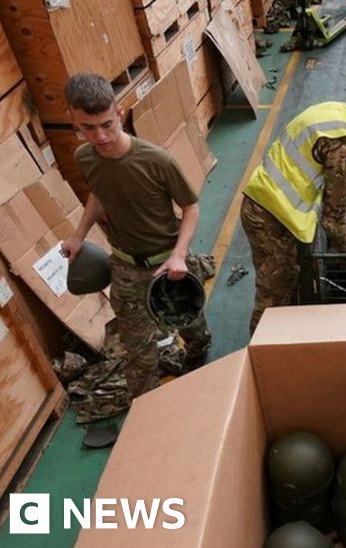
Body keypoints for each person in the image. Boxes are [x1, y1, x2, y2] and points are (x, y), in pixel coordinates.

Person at [61, 72, 211, 405]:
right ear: (73, 120)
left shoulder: (157, 161)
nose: (99, 137)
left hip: (168, 264)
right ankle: (149, 412)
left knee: (191, 327)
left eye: (106, 124)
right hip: (125, 267)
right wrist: (78, 235)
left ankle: (199, 349)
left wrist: (180, 255)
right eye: (87, 128)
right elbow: (98, 193)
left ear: (120, 113)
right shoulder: (84, 158)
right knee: (138, 352)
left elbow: (190, 207)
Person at [241, 75, 346, 333]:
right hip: (271, 217)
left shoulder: (330, 112)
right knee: (273, 294)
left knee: (280, 280)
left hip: (261, 203)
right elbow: (333, 220)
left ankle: (277, 339)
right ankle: (261, 353)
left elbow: (330, 184)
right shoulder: (343, 143)